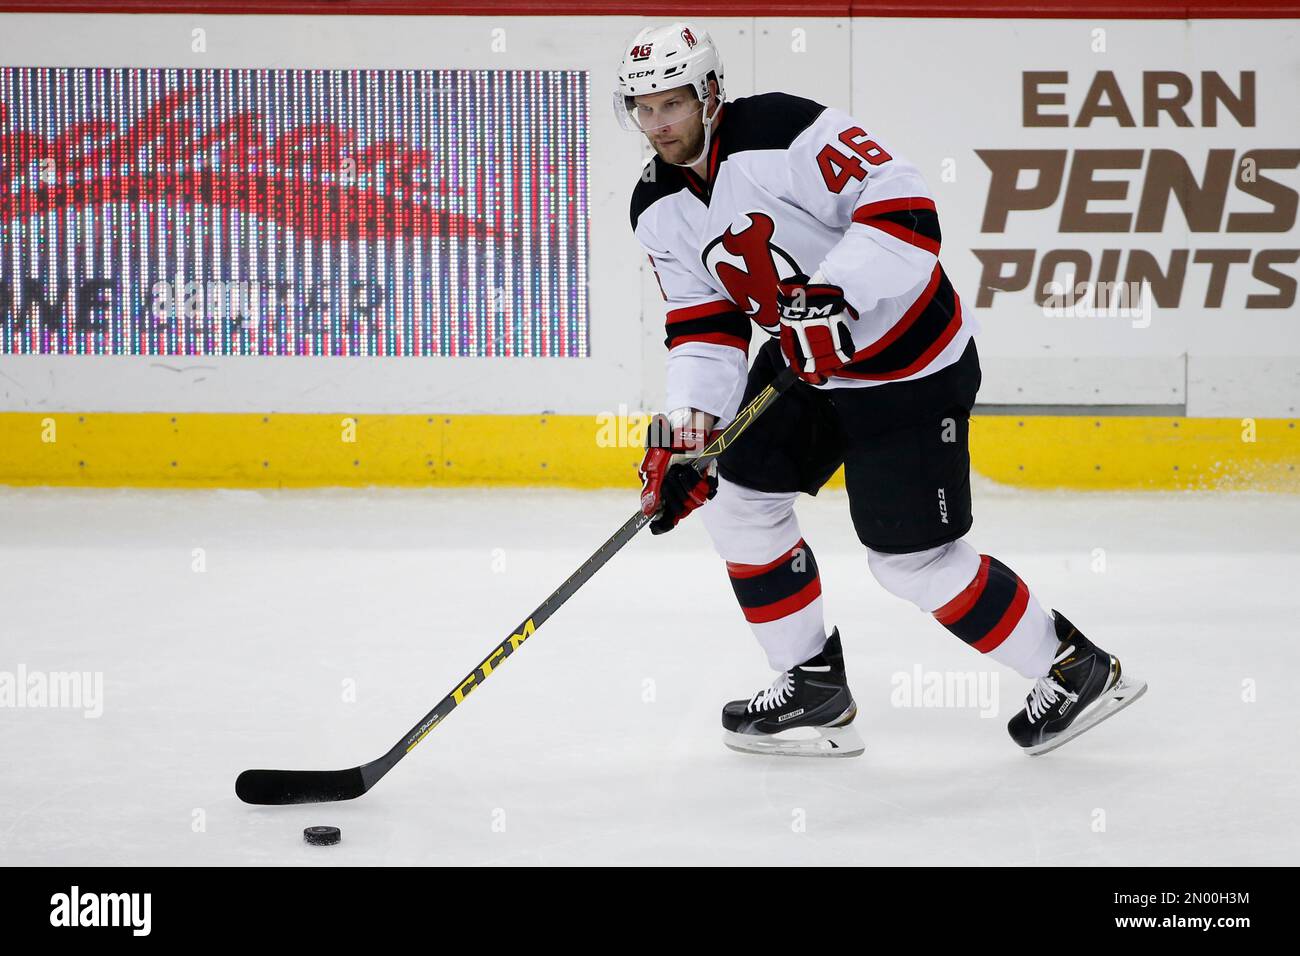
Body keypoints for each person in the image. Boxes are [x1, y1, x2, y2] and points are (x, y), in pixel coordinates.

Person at [619, 22, 1146, 758]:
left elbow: (906, 207)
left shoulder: (780, 128)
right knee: (737, 502)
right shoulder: (654, 204)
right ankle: (812, 685)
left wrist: (836, 291)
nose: (657, 124)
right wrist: (690, 429)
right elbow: (704, 326)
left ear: (709, 94)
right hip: (810, 365)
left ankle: (1073, 666)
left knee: (912, 563)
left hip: (908, 368)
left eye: (670, 103)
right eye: (641, 109)